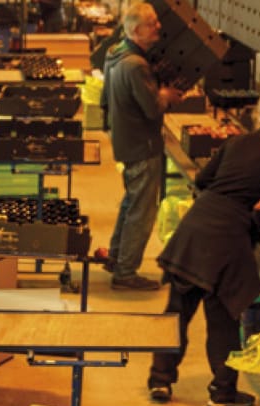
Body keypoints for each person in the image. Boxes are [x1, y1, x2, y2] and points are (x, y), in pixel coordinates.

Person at [148, 87, 260, 406]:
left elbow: (202, 180)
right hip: (229, 239)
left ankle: (160, 381)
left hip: (195, 231)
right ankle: (223, 391)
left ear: (258, 113)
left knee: (176, 312)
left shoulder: (237, 142)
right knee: (224, 318)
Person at [102, 2, 181, 290]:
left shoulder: (115, 55)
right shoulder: (136, 65)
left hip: (126, 142)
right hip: (141, 146)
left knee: (130, 203)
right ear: (136, 30)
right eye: (152, 24)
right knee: (142, 212)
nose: (158, 27)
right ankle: (125, 273)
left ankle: (116, 256)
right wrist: (166, 95)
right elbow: (151, 108)